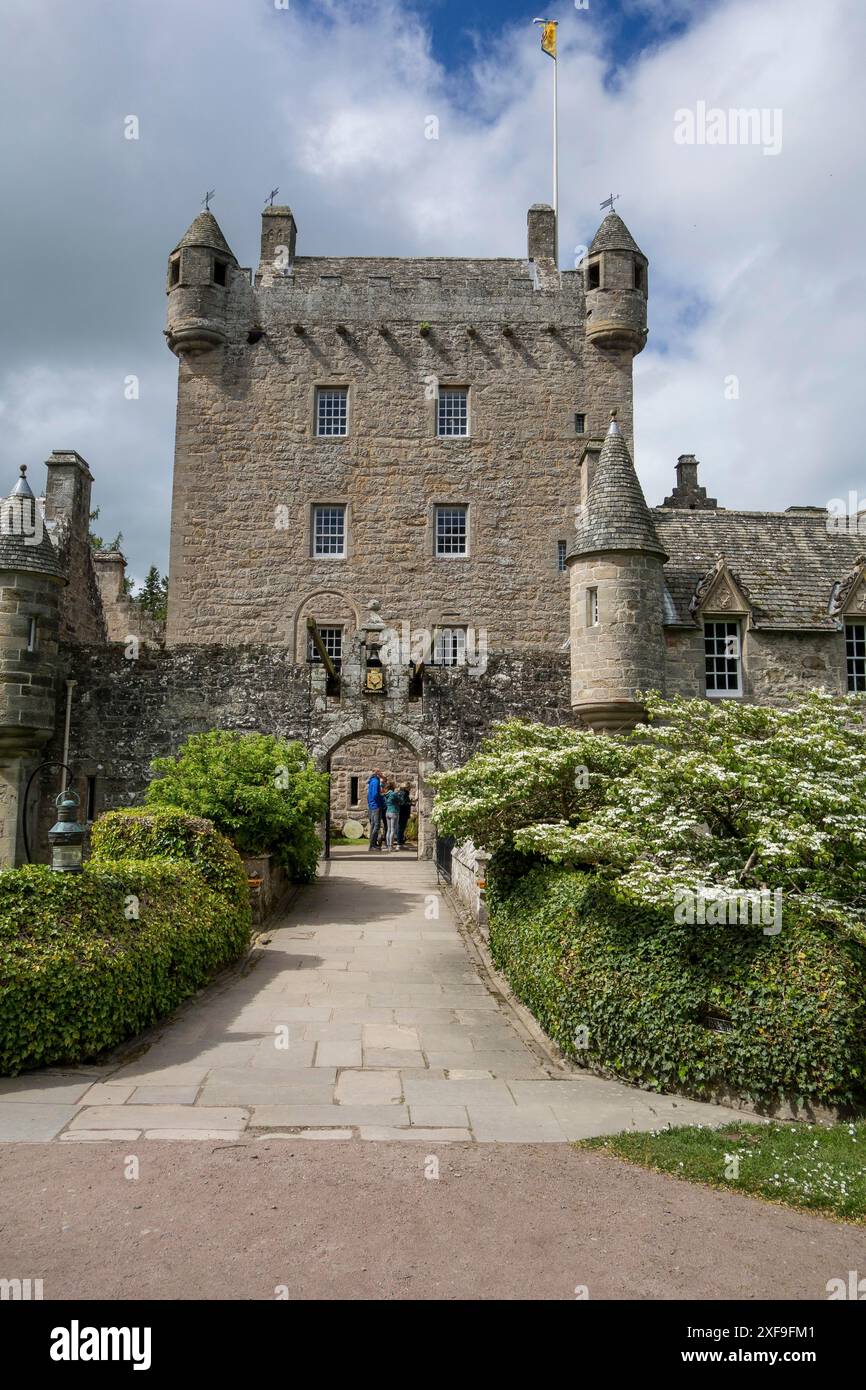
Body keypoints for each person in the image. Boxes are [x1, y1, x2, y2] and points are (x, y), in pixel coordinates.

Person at [367, 768, 385, 851]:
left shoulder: (371, 781)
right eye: (380, 771)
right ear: (377, 773)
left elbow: (369, 795)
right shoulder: (375, 781)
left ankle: (372, 845)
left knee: (374, 825)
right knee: (376, 825)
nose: (381, 773)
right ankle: (372, 845)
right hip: (376, 806)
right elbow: (375, 795)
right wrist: (381, 800)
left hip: (372, 805)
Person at [384, 782, 402, 850]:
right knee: (393, 829)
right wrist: (399, 794)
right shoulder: (393, 794)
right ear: (392, 787)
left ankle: (388, 845)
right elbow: (401, 801)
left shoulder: (386, 794)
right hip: (394, 812)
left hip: (388, 812)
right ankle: (391, 846)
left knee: (388, 830)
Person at [396, 782, 412, 848]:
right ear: (406, 787)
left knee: (401, 827)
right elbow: (402, 803)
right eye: (409, 787)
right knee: (401, 828)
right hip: (403, 812)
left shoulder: (401, 792)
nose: (410, 789)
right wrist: (410, 803)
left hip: (402, 812)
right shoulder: (404, 793)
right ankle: (399, 843)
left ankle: (400, 842)